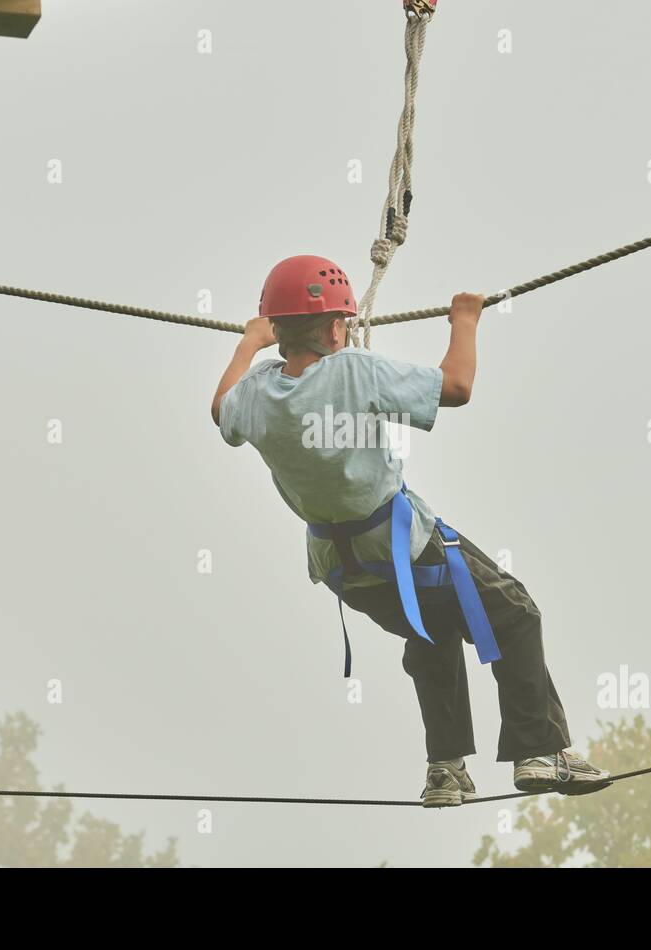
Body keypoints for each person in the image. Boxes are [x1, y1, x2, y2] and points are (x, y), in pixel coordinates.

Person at [212, 255, 611, 807]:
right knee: (515, 613)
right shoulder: (352, 369)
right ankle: (537, 750)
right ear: (336, 327)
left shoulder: (256, 394)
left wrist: (247, 343)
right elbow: (457, 386)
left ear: (276, 329)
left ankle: (445, 769)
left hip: (340, 568)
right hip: (399, 544)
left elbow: (220, 409)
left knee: (432, 632)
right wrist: (465, 320)